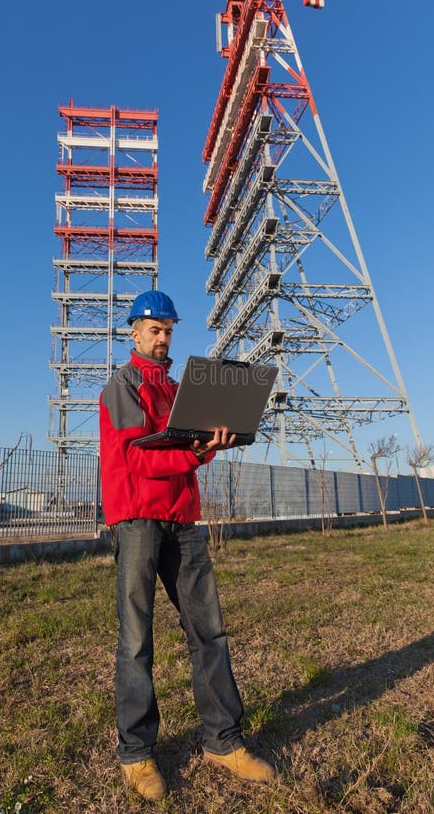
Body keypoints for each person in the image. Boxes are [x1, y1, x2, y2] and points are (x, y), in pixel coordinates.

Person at [99, 290, 275, 802]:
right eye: (154, 330)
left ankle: (222, 741)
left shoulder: (179, 390)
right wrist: (194, 454)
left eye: (169, 330)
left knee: (209, 631)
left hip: (183, 518)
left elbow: (185, 449)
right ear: (133, 332)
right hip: (137, 520)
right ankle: (135, 754)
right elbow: (136, 458)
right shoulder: (121, 387)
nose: (163, 338)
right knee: (136, 638)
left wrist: (210, 443)